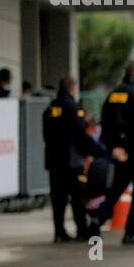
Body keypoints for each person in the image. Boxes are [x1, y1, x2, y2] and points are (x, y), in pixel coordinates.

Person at [96, 62, 134, 245]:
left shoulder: (113, 94)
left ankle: (96, 221)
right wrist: (130, 148)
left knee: (116, 189)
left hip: (119, 151)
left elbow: (104, 121)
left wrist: (114, 147)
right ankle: (132, 232)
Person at [43, 77, 95, 243]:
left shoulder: (51, 108)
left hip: (54, 161)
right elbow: (80, 134)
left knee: (58, 199)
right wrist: (87, 153)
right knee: (77, 197)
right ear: (73, 88)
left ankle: (59, 232)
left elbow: (46, 135)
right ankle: (82, 230)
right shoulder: (73, 108)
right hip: (72, 161)